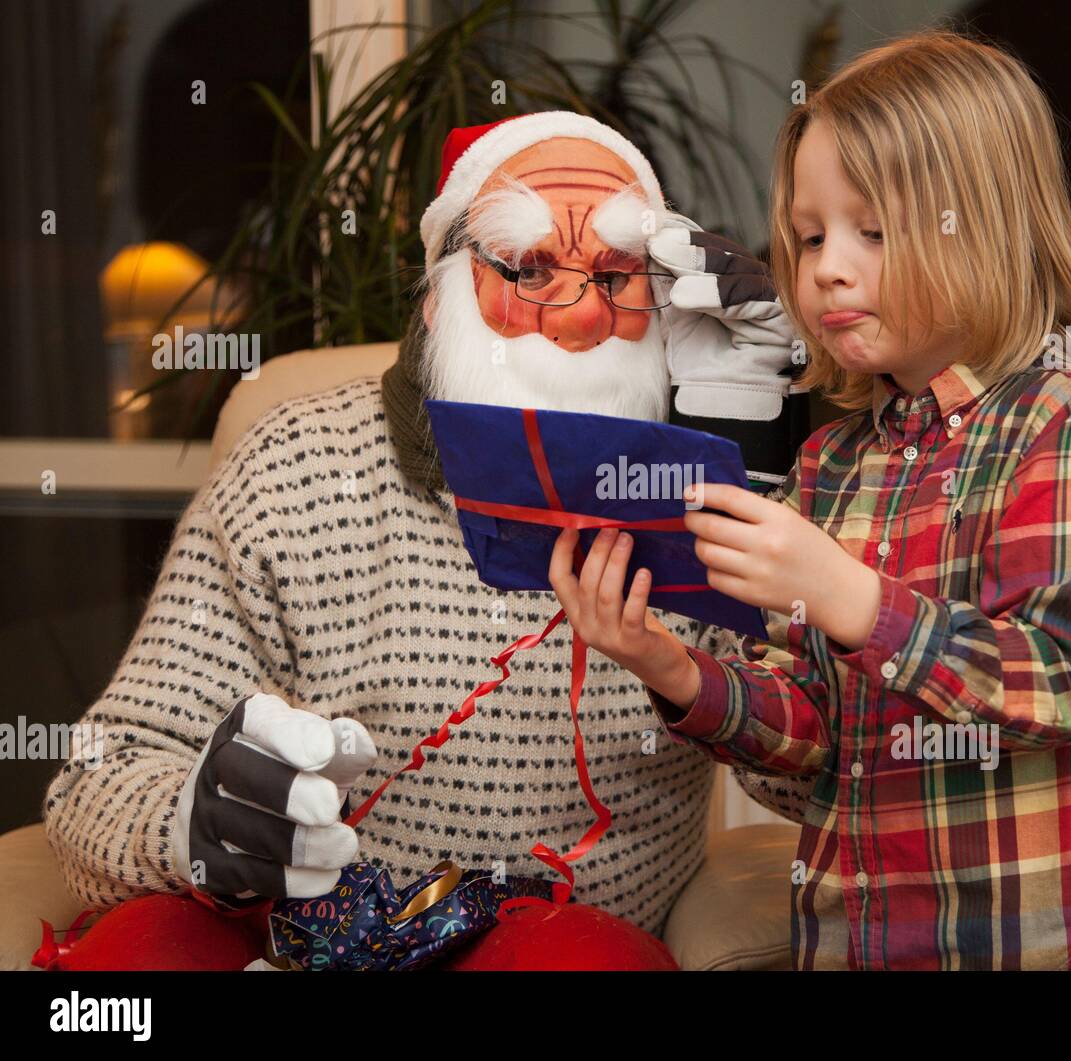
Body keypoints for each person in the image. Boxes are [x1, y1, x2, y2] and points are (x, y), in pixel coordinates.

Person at [41, 112, 803, 968]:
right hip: (290, 929)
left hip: (556, 934)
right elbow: (102, 777)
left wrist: (751, 459)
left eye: (618, 274)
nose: (581, 315)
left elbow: (806, 774)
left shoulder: (703, 482)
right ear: (440, 298)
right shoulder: (294, 462)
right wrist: (192, 822)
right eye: (529, 267)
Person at [548, 32, 1071, 971]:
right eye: (810, 236)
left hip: (1068, 941)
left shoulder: (1065, 420)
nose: (827, 268)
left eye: (873, 231)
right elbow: (813, 748)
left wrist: (852, 598)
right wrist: (672, 667)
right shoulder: (829, 467)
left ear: (983, 226)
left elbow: (1062, 687)